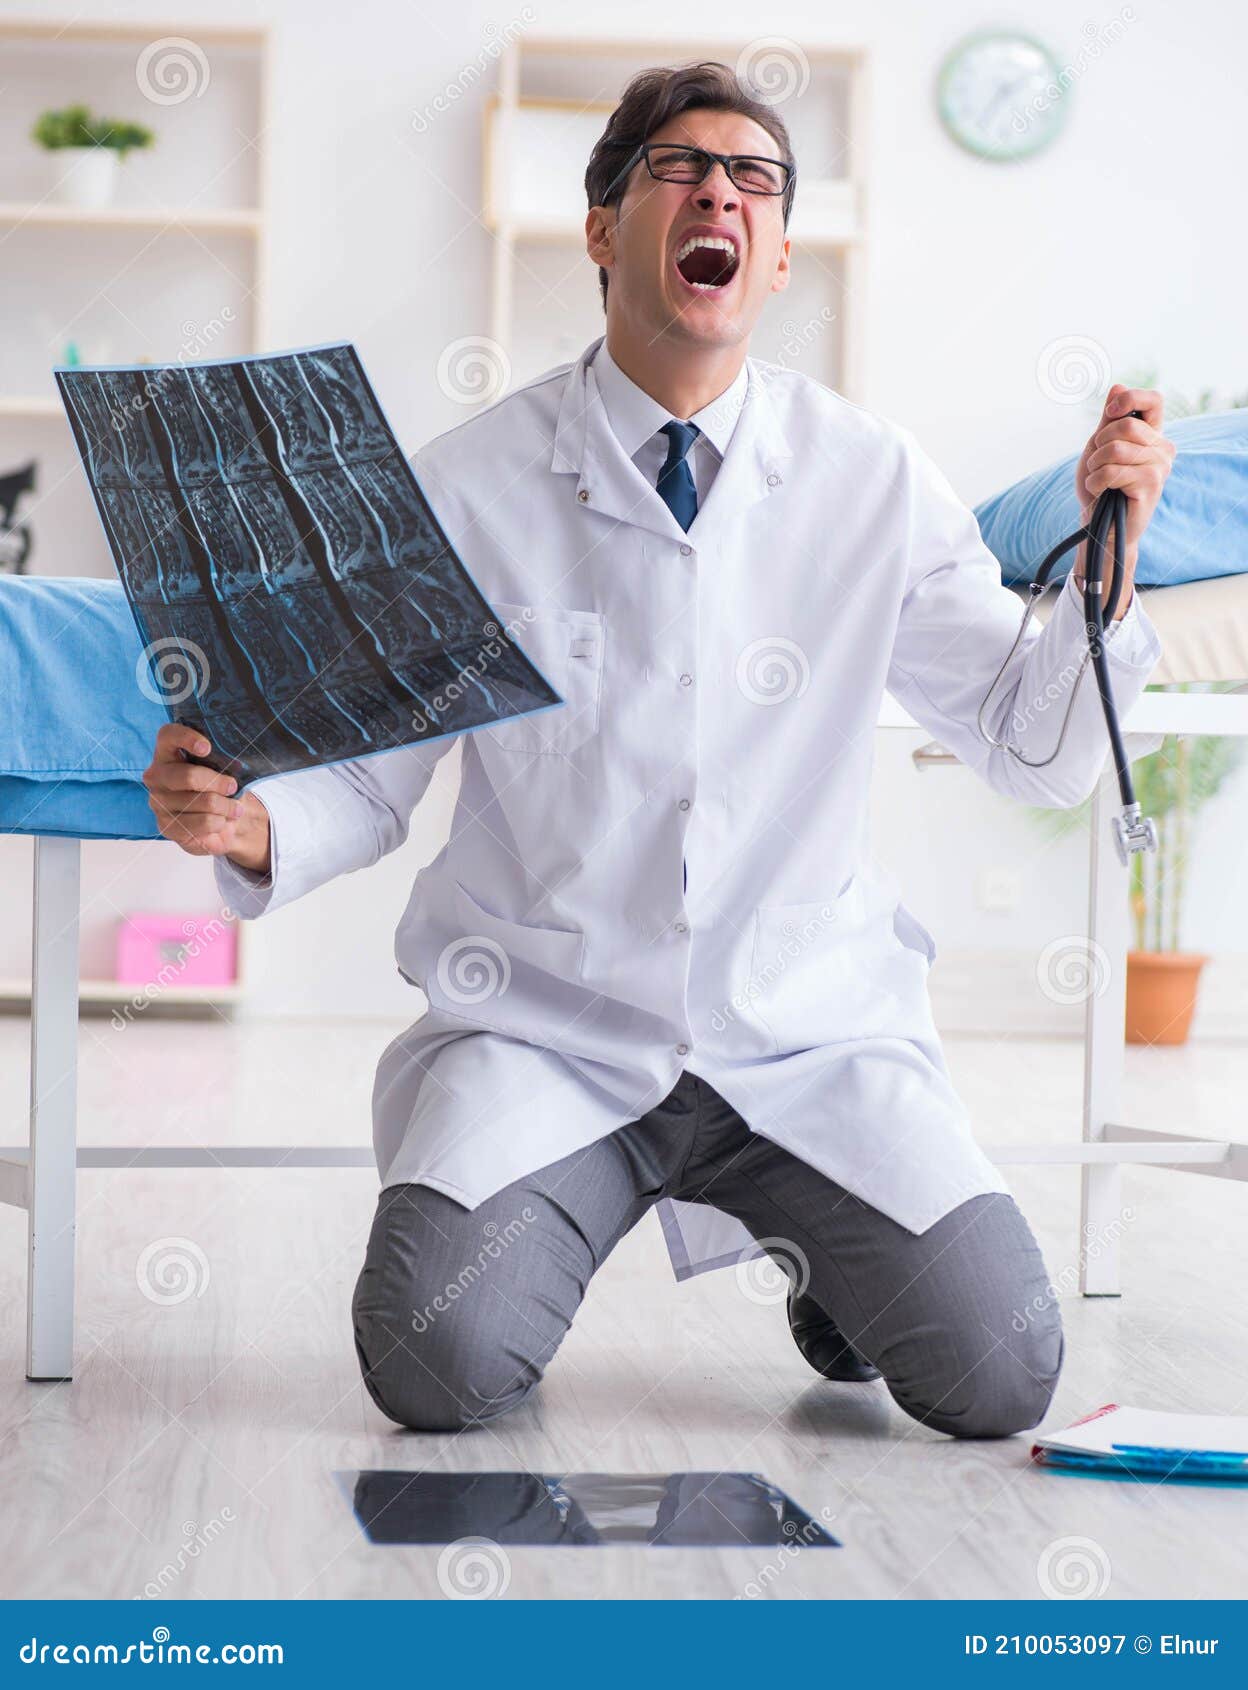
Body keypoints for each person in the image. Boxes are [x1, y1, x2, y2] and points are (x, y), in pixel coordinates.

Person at [143, 61, 1173, 1440]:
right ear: (601, 227)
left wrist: (1108, 569)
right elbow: (364, 774)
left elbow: (1027, 741)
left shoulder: (869, 475)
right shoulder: (467, 484)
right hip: (550, 1034)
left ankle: (834, 1274)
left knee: (1000, 1373)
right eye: (682, 170)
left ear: (779, 250)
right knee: (436, 1362)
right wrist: (243, 822)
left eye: (756, 181)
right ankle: (735, 1237)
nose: (721, 196)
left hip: (804, 1036)